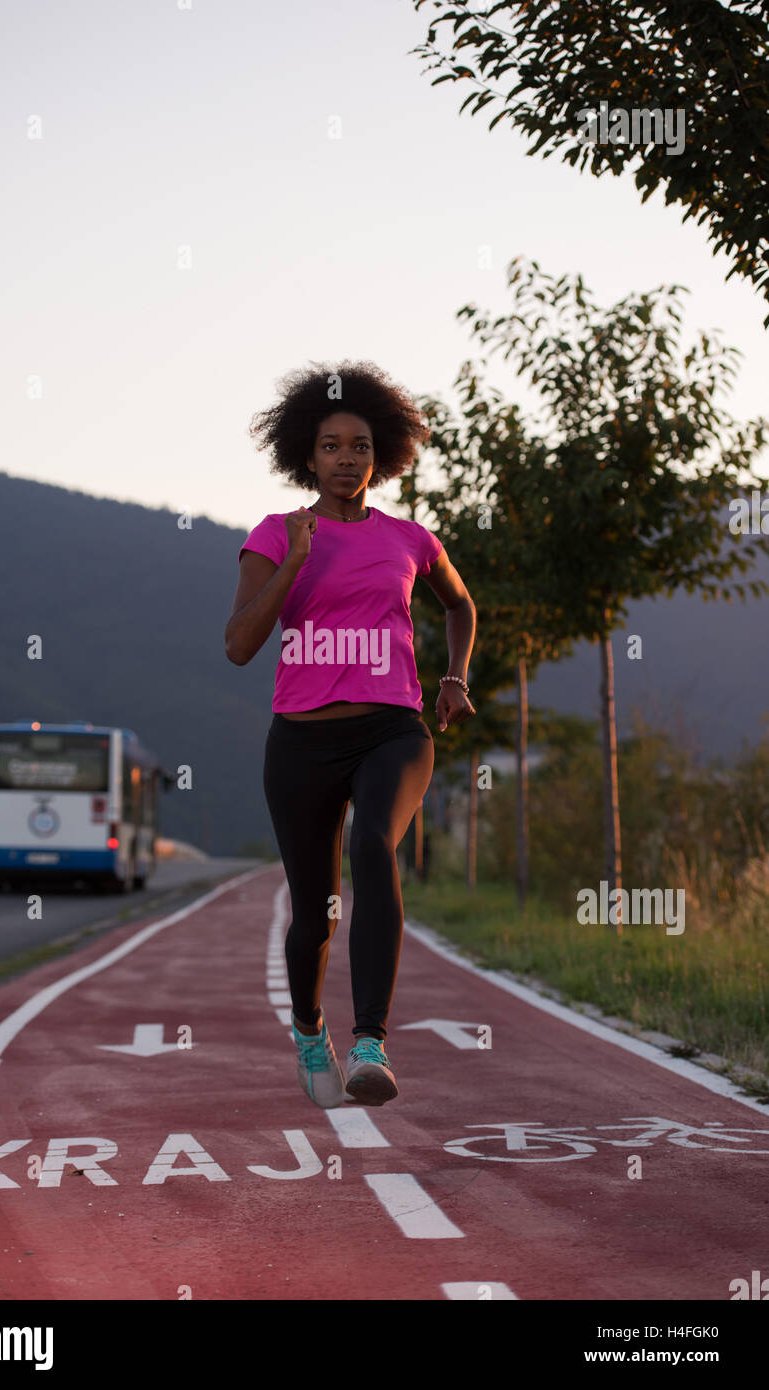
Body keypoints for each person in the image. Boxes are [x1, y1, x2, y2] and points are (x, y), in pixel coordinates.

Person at [225, 360, 476, 1107]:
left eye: (359, 446)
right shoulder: (274, 534)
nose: (345, 459)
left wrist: (454, 676)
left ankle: (371, 1043)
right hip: (300, 742)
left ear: (381, 456)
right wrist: (295, 560)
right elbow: (239, 645)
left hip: (393, 729)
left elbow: (458, 606)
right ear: (307, 454)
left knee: (372, 847)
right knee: (313, 911)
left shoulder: (410, 539)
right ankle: (310, 1029)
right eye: (331, 446)